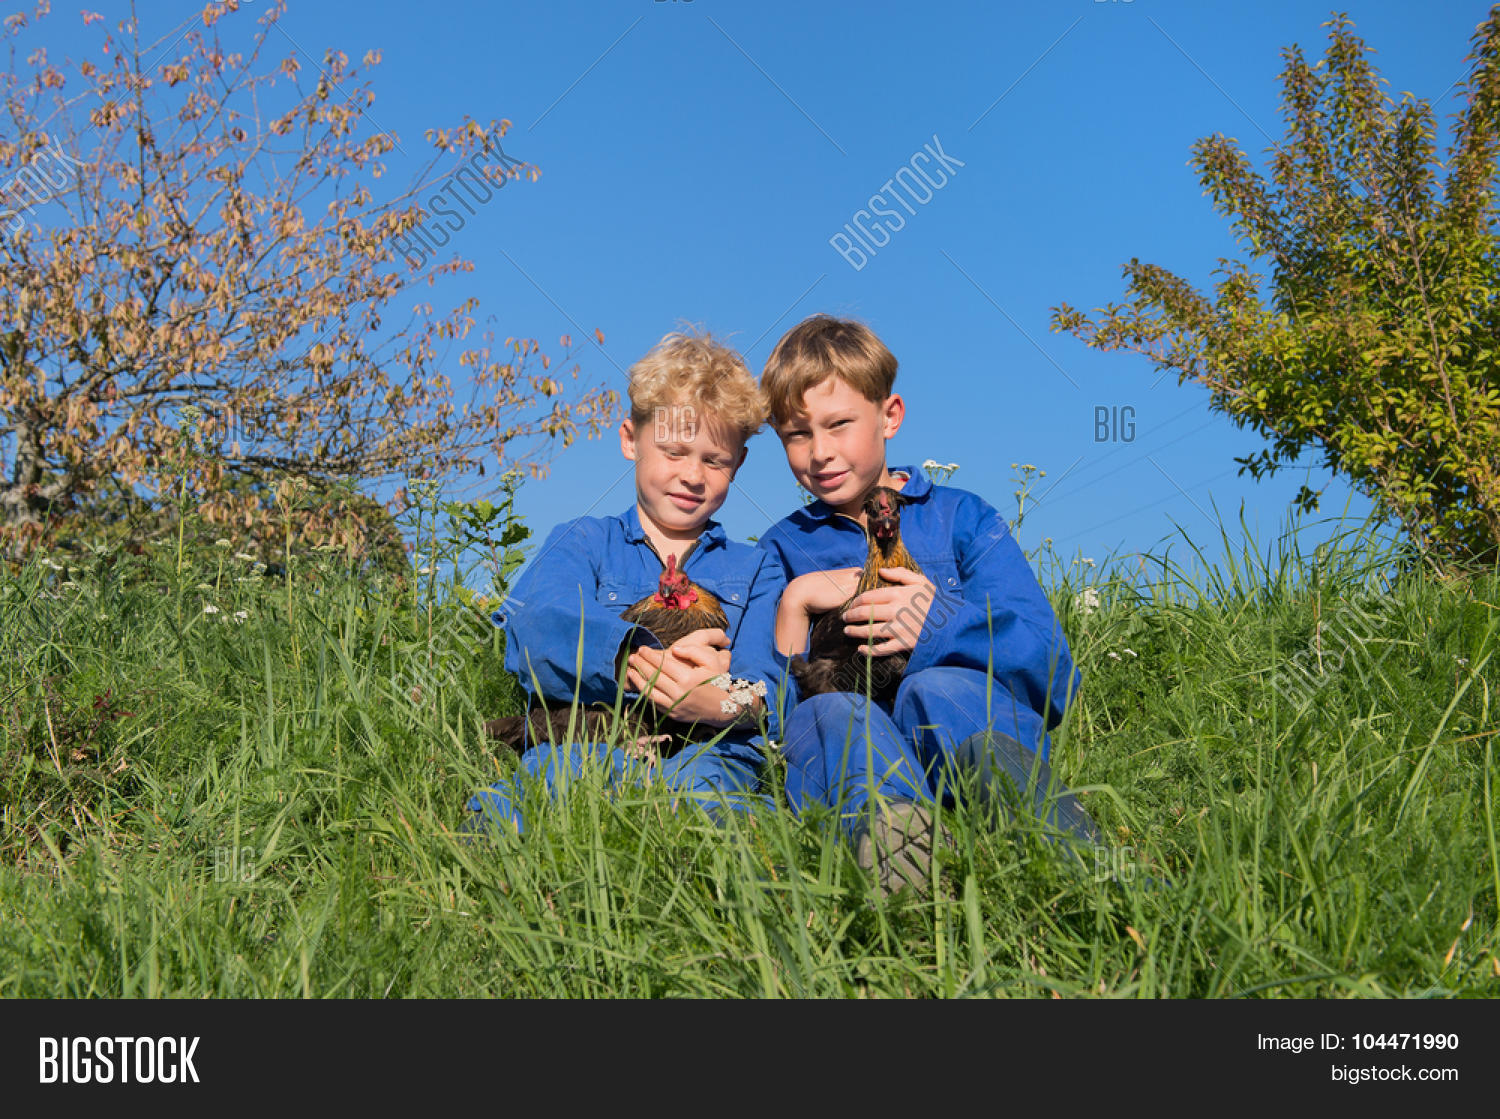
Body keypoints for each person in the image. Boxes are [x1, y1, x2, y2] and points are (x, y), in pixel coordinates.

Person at [756, 314, 1099, 894]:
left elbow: (1053, 670)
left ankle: (1065, 852)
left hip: (966, 729)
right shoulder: (783, 549)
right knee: (829, 713)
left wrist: (937, 623)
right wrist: (795, 602)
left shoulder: (962, 519)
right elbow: (769, 704)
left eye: (840, 425)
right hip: (857, 748)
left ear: (890, 416)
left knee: (932, 689)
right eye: (797, 434)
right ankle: (895, 845)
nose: (820, 452)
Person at [463, 330, 784, 835]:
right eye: (674, 452)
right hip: (590, 735)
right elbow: (537, 626)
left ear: (738, 463)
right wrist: (634, 661)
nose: (693, 475)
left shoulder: (756, 568)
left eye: (714, 460)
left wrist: (723, 701)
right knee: (553, 780)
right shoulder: (584, 541)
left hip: (710, 746)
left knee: (713, 803)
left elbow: (769, 680)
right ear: (630, 441)